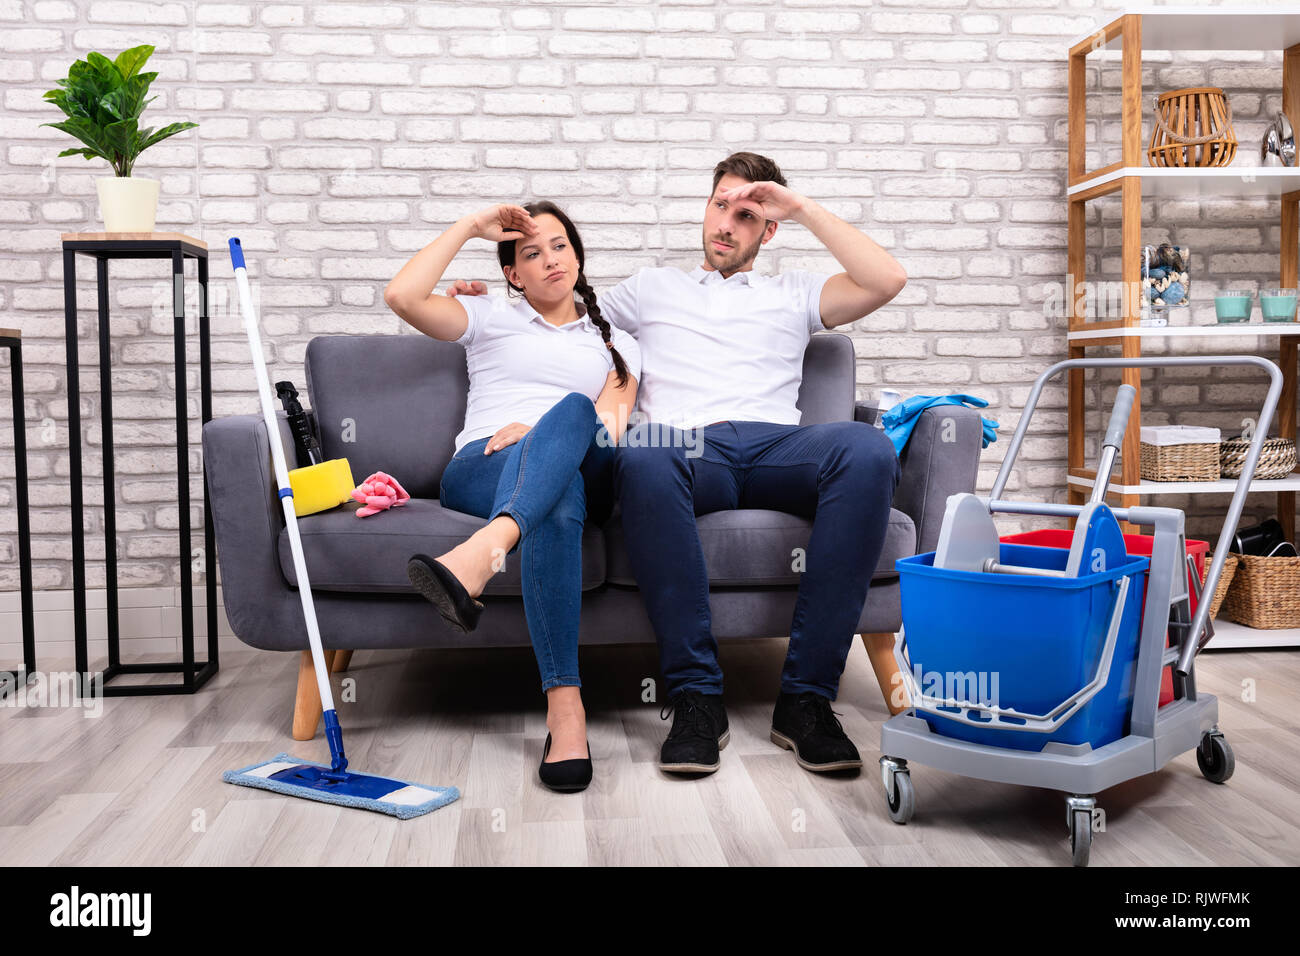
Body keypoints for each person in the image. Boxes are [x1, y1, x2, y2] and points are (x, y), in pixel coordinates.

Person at [598, 151, 906, 775]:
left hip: (776, 448)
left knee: (867, 447)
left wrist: (802, 209)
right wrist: (487, 305)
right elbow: (568, 315)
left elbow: (886, 279)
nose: (726, 225)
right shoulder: (652, 287)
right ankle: (695, 697)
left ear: (768, 230)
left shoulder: (792, 292)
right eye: (720, 206)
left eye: (746, 214)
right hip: (688, 446)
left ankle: (806, 700)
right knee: (644, 451)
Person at [383, 201, 639, 793]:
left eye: (559, 246)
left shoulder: (617, 343)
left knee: (571, 413)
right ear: (512, 274)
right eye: (530, 253)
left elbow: (610, 429)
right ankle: (566, 712)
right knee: (559, 496)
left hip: (577, 453)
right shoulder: (488, 314)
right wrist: (470, 227)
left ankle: (482, 551)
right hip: (482, 466)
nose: (550, 259)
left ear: (577, 255)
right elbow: (402, 295)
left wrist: (540, 431)